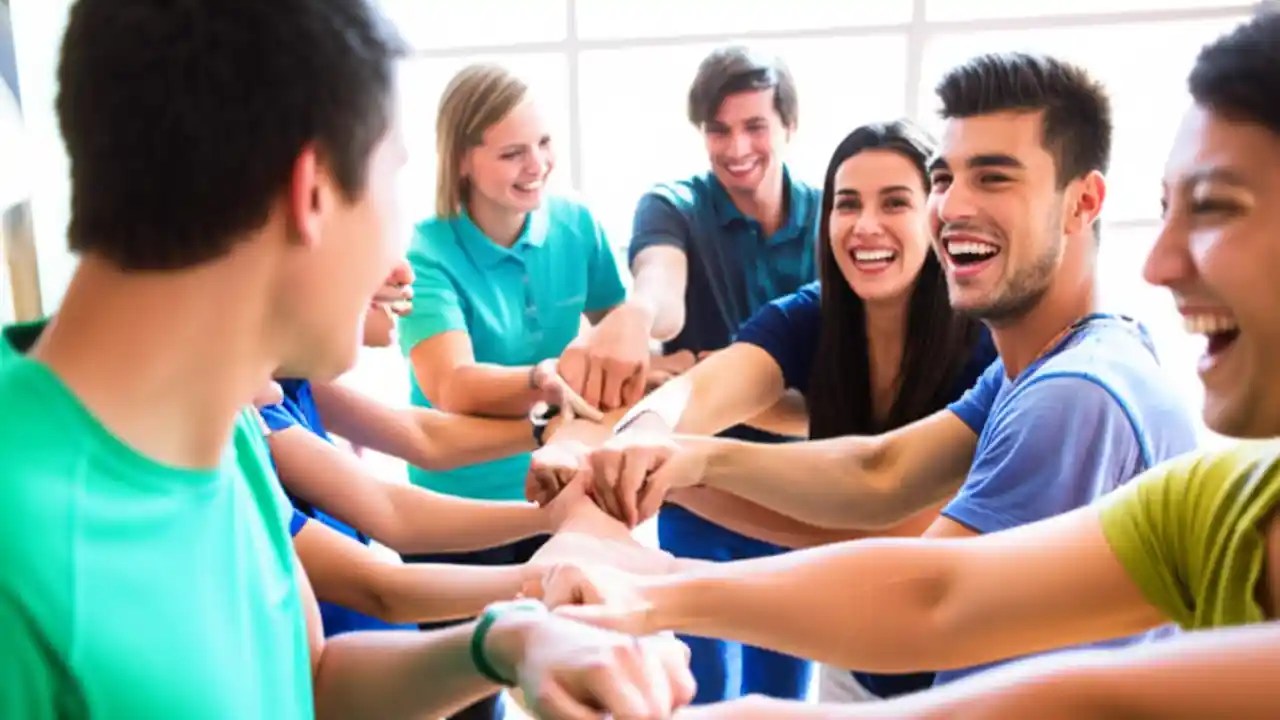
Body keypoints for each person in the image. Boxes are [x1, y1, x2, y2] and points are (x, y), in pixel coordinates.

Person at [564, 21, 1280, 718]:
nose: (953, 207)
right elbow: (880, 471)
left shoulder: (1074, 394)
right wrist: (680, 456)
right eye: (946, 178)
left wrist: (656, 583)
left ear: (1083, 202)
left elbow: (930, 598)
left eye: (993, 178)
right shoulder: (1049, 366)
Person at [0, 2, 694, 717]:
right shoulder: (19, 556)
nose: (402, 262)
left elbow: (316, 680)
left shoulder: (222, 428)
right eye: (392, 181)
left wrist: (508, 642)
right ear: (313, 192)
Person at [538, 120, 997, 699]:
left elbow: (884, 530)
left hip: (971, 672)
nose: (865, 226)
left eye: (895, 203)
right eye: (846, 204)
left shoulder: (984, 348)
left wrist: (672, 474)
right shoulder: (810, 315)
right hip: (857, 660)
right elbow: (702, 391)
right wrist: (623, 437)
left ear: (936, 214)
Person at [554, 45, 824, 706]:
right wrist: (635, 316)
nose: (736, 147)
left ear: (788, 126)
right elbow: (662, 291)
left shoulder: (832, 218)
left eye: (754, 126)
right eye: (718, 129)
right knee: (704, 688)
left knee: (784, 689)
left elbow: (827, 399)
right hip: (698, 492)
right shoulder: (674, 206)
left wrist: (701, 374)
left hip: (800, 490)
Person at [397, 61, 636, 720]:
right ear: (463, 162)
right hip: (453, 512)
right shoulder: (425, 252)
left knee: (582, 683)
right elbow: (450, 383)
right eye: (512, 152)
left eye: (544, 144)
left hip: (557, 494)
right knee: (467, 704)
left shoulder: (576, 225)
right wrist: (546, 379)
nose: (537, 165)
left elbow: (617, 326)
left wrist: (634, 335)